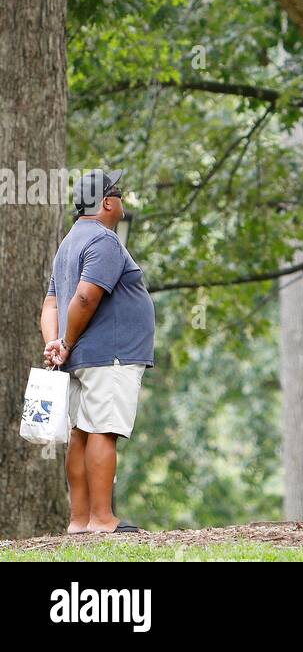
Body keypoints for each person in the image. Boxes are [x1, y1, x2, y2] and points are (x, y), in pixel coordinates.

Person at [41, 168, 154, 535]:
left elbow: (51, 304)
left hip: (81, 359)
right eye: (118, 193)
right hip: (111, 355)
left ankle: (79, 520)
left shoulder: (68, 243)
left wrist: (55, 343)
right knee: (102, 431)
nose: (122, 199)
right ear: (106, 202)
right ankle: (103, 519)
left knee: (82, 433)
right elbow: (87, 297)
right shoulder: (104, 242)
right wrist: (67, 342)